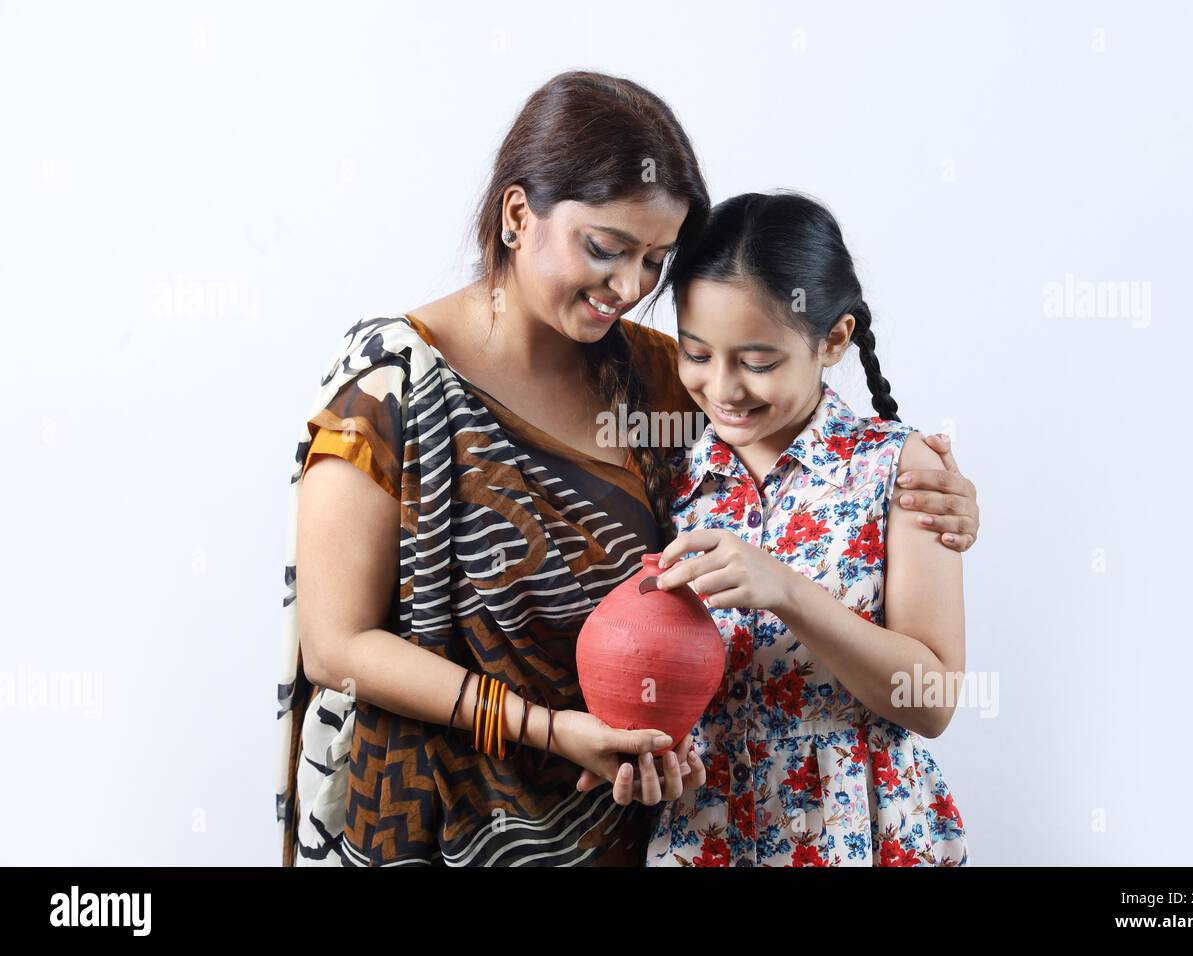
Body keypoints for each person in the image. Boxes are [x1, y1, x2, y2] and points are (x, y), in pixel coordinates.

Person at [276, 74, 981, 867]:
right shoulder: (393, 383)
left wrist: (936, 501)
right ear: (518, 215)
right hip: (440, 813)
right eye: (606, 249)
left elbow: (798, 464)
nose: (630, 288)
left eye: (655, 260)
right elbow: (334, 645)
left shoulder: (660, 382)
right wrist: (545, 728)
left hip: (627, 826)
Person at [639, 192, 970, 866]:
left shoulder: (898, 468)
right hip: (706, 833)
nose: (723, 387)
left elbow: (932, 701)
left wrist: (786, 590)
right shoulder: (668, 475)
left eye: (757, 362)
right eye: (696, 353)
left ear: (834, 340)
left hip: (863, 833)